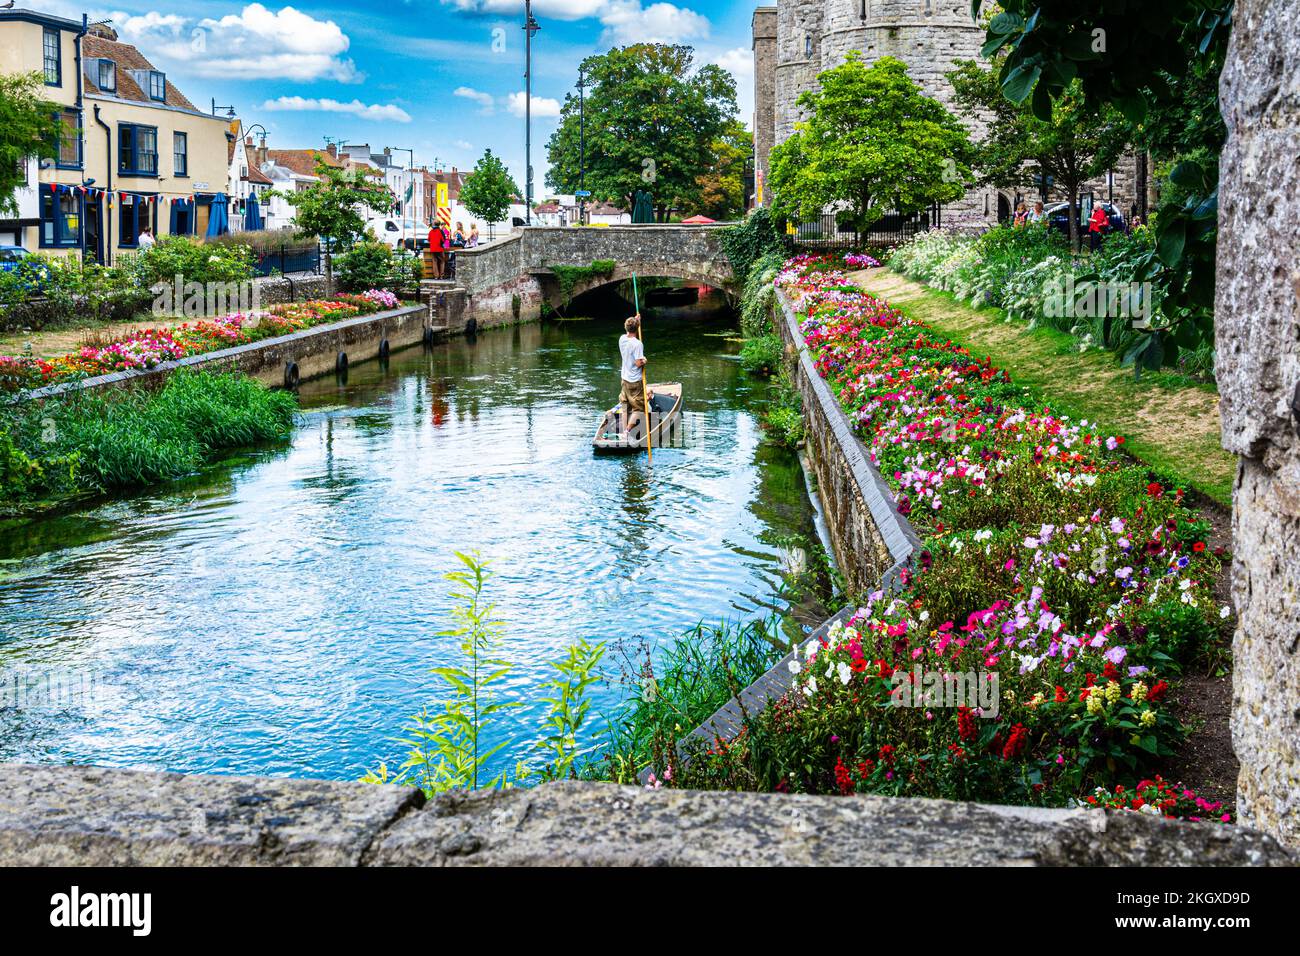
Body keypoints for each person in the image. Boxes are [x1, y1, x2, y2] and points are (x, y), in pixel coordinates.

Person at [618, 314, 651, 434]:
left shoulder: (622, 339)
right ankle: (627, 431)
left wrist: (636, 321)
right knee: (639, 409)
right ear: (637, 328)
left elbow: (631, 328)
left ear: (626, 327)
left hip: (624, 378)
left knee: (625, 405)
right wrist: (644, 360)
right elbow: (638, 363)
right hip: (635, 381)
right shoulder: (637, 344)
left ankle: (623, 431)